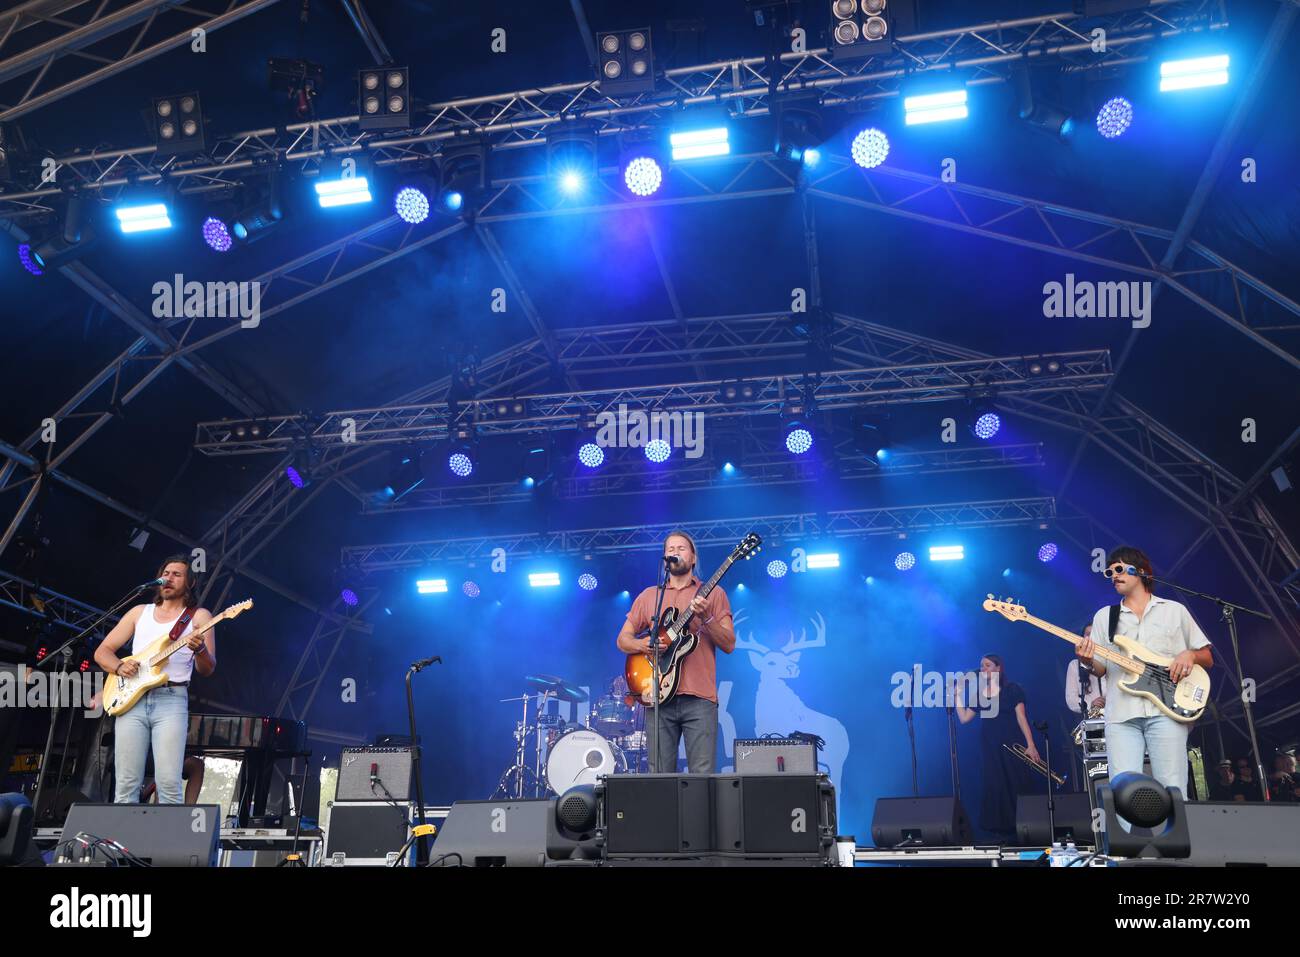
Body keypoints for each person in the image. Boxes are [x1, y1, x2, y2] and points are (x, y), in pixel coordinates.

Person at [1075, 546, 1211, 807]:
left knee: (1173, 786)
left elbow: (1207, 656)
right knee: (1123, 788)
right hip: (1122, 713)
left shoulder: (1174, 610)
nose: (1113, 575)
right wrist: (1086, 660)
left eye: (1119, 569)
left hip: (1167, 710)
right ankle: (1126, 847)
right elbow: (1100, 669)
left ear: (1141, 572)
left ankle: (1175, 846)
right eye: (1109, 571)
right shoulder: (1105, 617)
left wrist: (1190, 656)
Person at [93, 556, 216, 804]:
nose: (168, 578)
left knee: (169, 783)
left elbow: (208, 668)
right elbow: (102, 652)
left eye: (177, 574)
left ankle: (166, 843)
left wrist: (200, 650)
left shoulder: (199, 616)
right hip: (132, 700)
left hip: (171, 700)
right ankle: (123, 841)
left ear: (190, 582)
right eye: (166, 573)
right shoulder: (140, 612)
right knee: (126, 783)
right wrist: (119, 666)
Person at [615, 531, 735, 773]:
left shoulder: (713, 594)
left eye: (681, 548)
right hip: (657, 697)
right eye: (670, 548)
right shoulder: (650, 596)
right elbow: (622, 640)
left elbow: (729, 644)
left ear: (693, 559)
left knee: (702, 775)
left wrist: (706, 618)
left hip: (700, 698)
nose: (674, 552)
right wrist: (644, 645)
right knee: (659, 776)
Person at [956, 654, 1039, 843]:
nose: (983, 669)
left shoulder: (1012, 689)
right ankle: (1001, 832)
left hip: (1012, 744)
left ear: (998, 668)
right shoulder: (980, 695)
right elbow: (964, 718)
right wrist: (956, 695)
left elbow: (1021, 718)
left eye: (987, 665)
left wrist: (1031, 744)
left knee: (1017, 782)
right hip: (990, 748)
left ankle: (1026, 828)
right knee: (996, 786)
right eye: (981, 666)